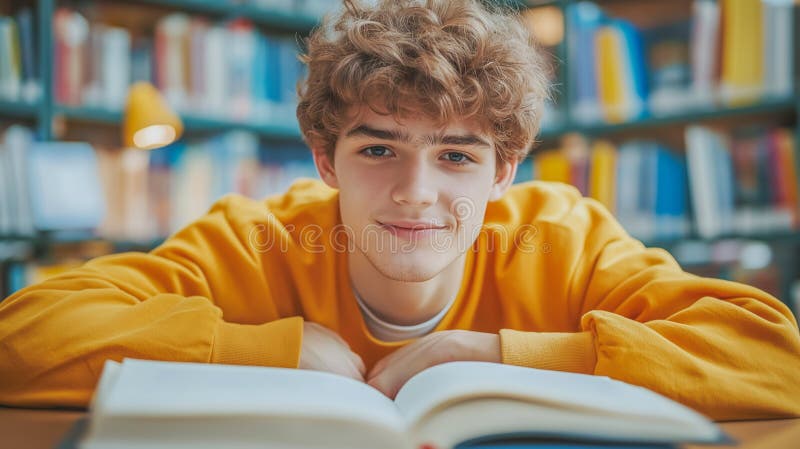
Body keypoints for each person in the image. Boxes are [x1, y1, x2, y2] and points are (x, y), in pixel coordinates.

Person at [1, 0, 798, 420]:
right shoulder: (253, 242)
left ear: (503, 172)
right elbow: (21, 338)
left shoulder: (565, 236)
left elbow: (773, 356)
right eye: (378, 149)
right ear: (325, 161)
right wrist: (273, 348)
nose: (416, 191)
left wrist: (496, 356)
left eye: (456, 154)